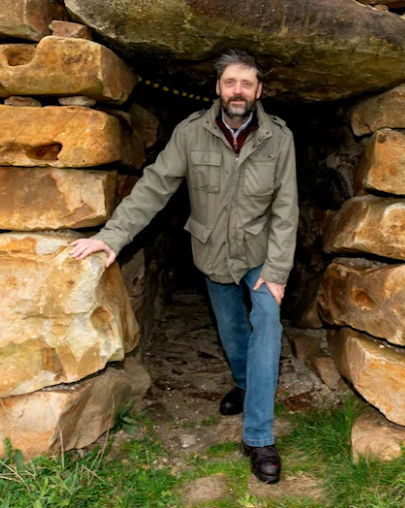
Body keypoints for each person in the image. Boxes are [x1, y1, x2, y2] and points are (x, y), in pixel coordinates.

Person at [69, 49, 298, 484]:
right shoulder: (191, 133)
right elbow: (154, 187)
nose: (238, 91)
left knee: (267, 322)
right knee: (231, 329)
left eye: (246, 84)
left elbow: (287, 208)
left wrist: (279, 271)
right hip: (212, 251)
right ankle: (246, 384)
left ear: (259, 91)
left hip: (261, 253)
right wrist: (112, 237)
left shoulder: (278, 138)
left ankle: (259, 436)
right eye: (230, 82)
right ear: (218, 88)